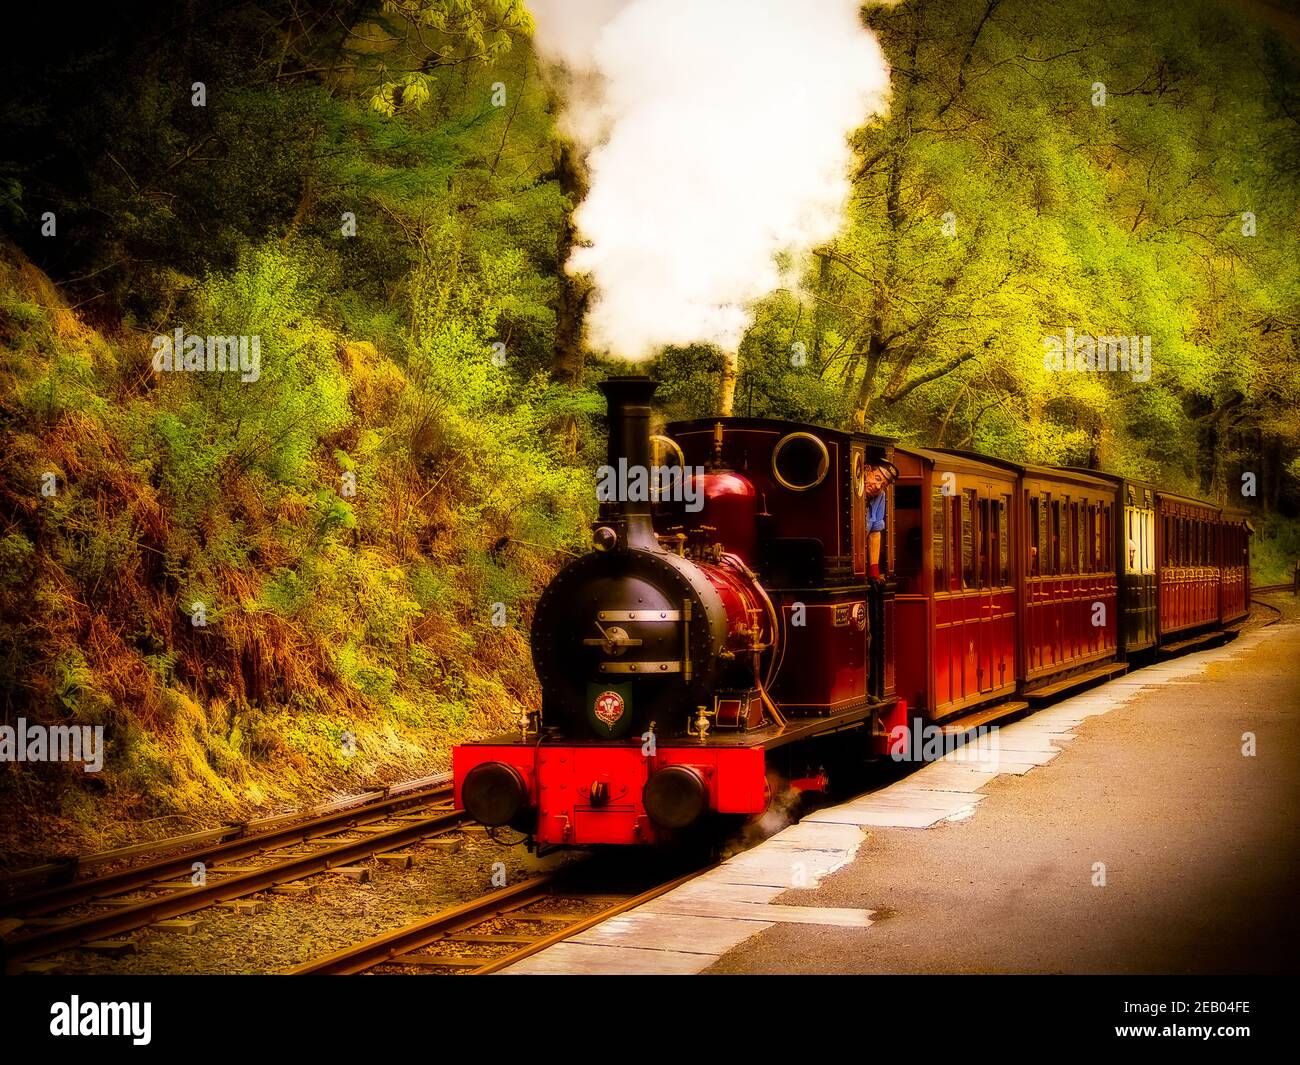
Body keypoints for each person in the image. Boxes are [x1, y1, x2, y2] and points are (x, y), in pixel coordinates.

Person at [864, 460, 898, 582]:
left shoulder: (880, 496)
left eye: (883, 485)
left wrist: (874, 569)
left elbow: (875, 532)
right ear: (867, 470)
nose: (878, 487)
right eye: (877, 479)